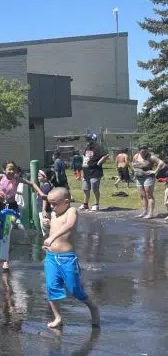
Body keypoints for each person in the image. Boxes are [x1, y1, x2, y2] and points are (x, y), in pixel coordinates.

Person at [42, 187, 100, 329]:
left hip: (66, 258)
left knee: (75, 289)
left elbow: (69, 225)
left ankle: (93, 308)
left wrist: (52, 237)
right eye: (50, 203)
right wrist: (49, 227)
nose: (52, 207)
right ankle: (58, 317)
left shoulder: (71, 211)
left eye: (55, 203)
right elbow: (55, 230)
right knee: (51, 288)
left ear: (66, 202)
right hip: (51, 257)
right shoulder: (54, 214)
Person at [131, 145, 164, 219]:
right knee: (142, 195)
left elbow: (161, 163)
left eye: (146, 151)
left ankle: (150, 213)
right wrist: (134, 173)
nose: (144, 153)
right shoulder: (136, 156)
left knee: (149, 195)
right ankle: (144, 212)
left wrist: (155, 171)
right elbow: (132, 164)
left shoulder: (151, 157)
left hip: (148, 177)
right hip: (138, 178)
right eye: (143, 151)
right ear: (139, 150)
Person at [80, 135, 109, 211]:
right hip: (86, 171)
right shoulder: (87, 147)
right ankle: (85, 204)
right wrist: (82, 171)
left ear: (93, 140)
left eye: (89, 140)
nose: (88, 141)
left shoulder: (97, 147)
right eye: (87, 140)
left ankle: (96, 204)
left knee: (94, 188)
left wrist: (99, 162)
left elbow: (106, 155)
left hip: (95, 171)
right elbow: (84, 158)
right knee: (85, 188)